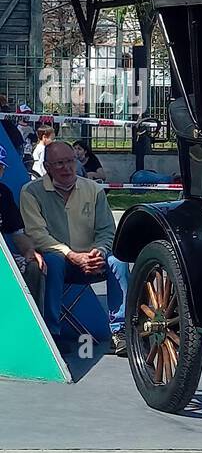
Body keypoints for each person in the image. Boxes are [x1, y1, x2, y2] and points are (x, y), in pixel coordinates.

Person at [20, 140, 129, 355]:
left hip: (92, 259)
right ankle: (53, 332)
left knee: (118, 261)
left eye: (70, 161)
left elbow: (107, 230)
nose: (67, 168)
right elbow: (37, 235)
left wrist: (99, 252)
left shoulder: (94, 190)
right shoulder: (30, 192)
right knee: (52, 262)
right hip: (60, 260)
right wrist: (71, 255)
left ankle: (120, 331)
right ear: (47, 166)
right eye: (59, 163)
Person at [0, 143, 43, 301]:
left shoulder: (4, 194)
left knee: (33, 265)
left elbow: (17, 233)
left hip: (4, 258)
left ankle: (34, 324)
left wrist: (30, 250)